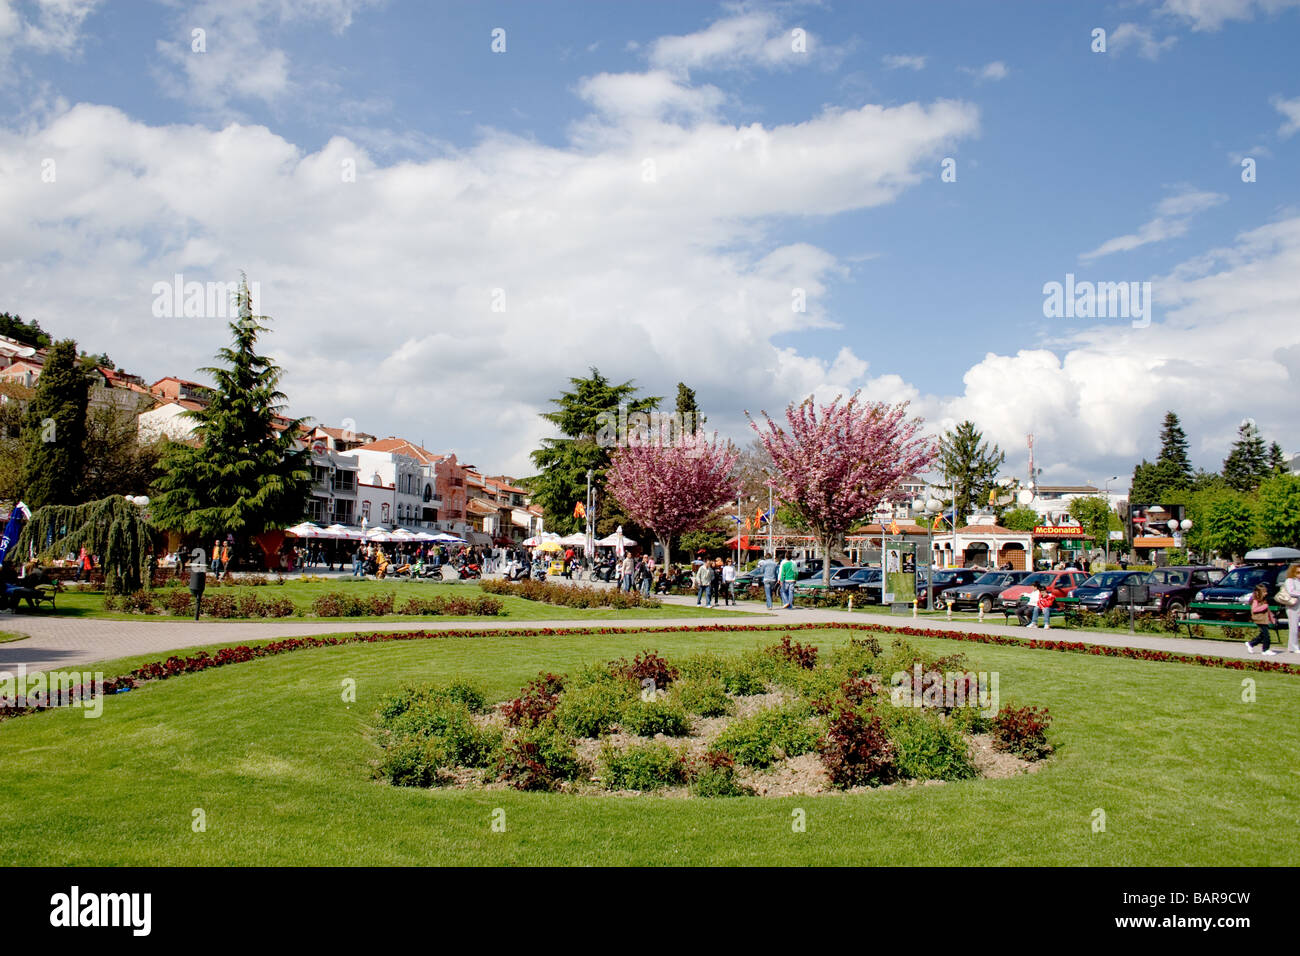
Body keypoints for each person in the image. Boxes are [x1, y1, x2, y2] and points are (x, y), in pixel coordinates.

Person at [1244, 582, 1278, 655]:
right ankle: (1265, 649)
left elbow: (1268, 611)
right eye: (1264, 592)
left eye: (1266, 592)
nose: (1266, 593)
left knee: (1262, 635)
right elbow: (1254, 609)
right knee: (1266, 635)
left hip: (1264, 620)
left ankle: (1251, 643)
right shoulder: (1256, 600)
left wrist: (1272, 619)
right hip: (1259, 619)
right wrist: (1264, 607)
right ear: (1259, 592)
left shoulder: (1264, 601)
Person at [1283, 564, 1300, 655]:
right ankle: (1294, 646)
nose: (1299, 574)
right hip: (1293, 607)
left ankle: (1291, 647)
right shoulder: (1290, 580)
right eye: (1298, 572)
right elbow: (1291, 591)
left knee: (1297, 628)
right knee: (1294, 628)